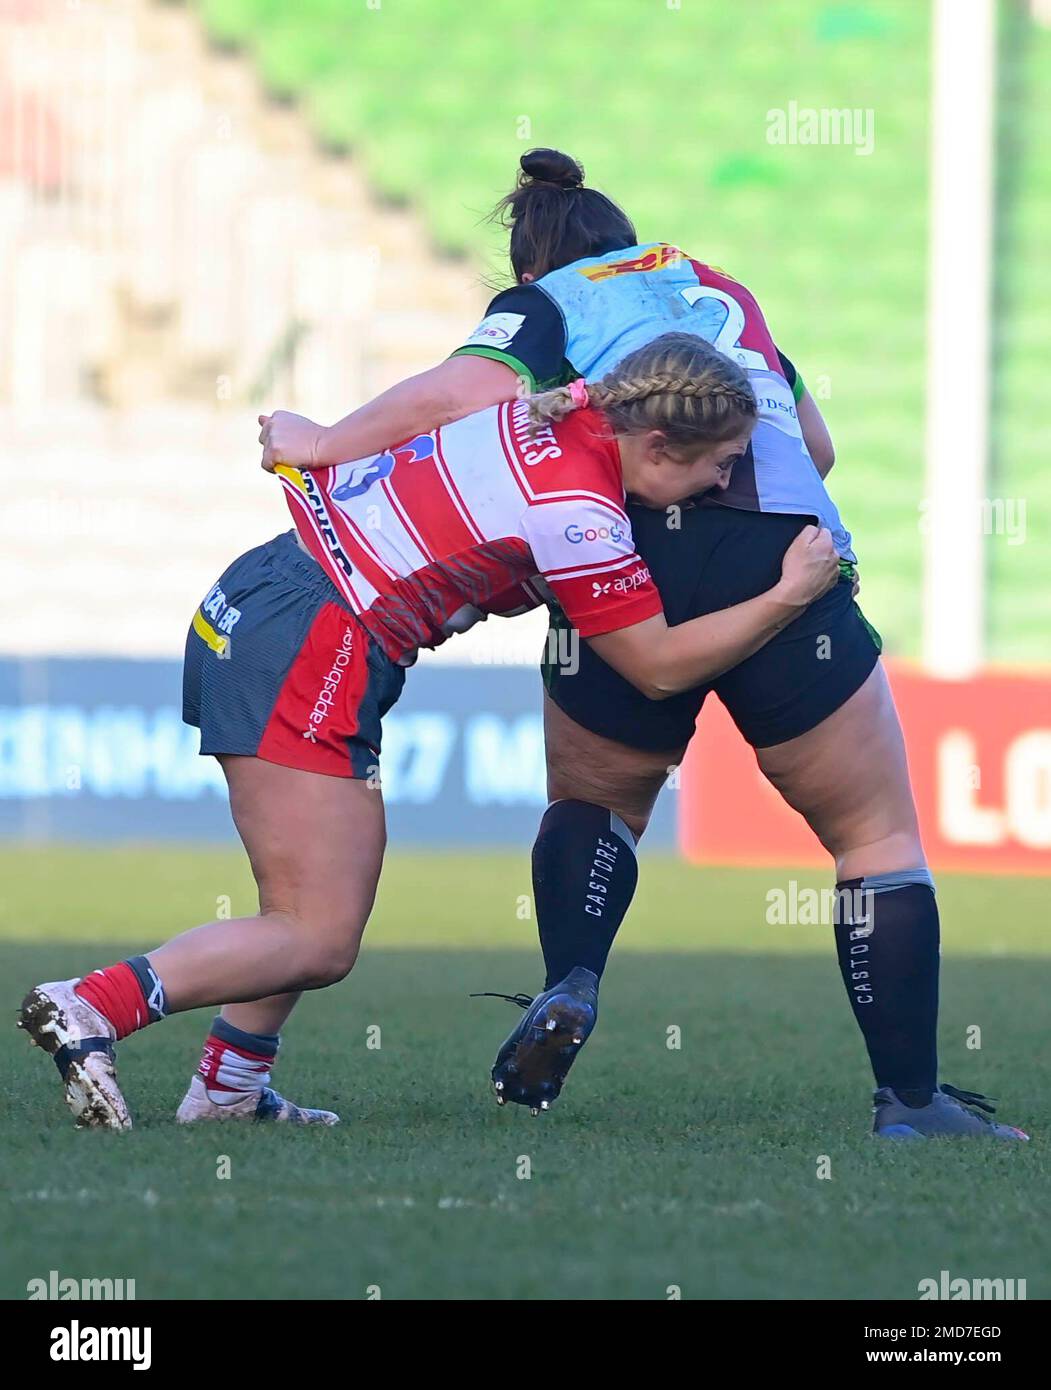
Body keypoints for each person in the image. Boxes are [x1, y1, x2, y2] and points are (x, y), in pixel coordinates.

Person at [257, 149, 1028, 1142]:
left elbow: (458, 392)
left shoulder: (548, 300)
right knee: (872, 838)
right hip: (778, 540)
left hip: (621, 546)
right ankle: (910, 1102)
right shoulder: (714, 285)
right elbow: (817, 447)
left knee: (595, 804)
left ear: (528, 263)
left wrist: (322, 441)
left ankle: (572, 979)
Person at [18, 334, 842, 1131]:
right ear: (656, 445)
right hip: (316, 641)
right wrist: (788, 594)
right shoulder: (580, 512)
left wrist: (317, 440)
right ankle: (91, 1005)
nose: (724, 481)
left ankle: (230, 1089)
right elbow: (656, 666)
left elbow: (438, 403)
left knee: (303, 899)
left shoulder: (545, 410)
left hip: (270, 594)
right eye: (720, 463)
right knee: (317, 933)